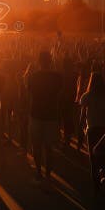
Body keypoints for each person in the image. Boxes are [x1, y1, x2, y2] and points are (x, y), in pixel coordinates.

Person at [80, 70, 105, 194]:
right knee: (104, 155)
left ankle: (96, 186)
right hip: (104, 129)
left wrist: (82, 127)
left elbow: (82, 116)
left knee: (93, 159)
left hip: (92, 129)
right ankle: (103, 173)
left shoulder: (86, 96)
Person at [27, 51, 62, 181]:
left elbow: (29, 94)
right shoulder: (57, 77)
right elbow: (59, 94)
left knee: (36, 146)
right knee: (49, 148)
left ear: (39, 61)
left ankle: (38, 171)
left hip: (36, 114)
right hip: (51, 115)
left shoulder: (33, 76)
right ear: (50, 61)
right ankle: (47, 173)